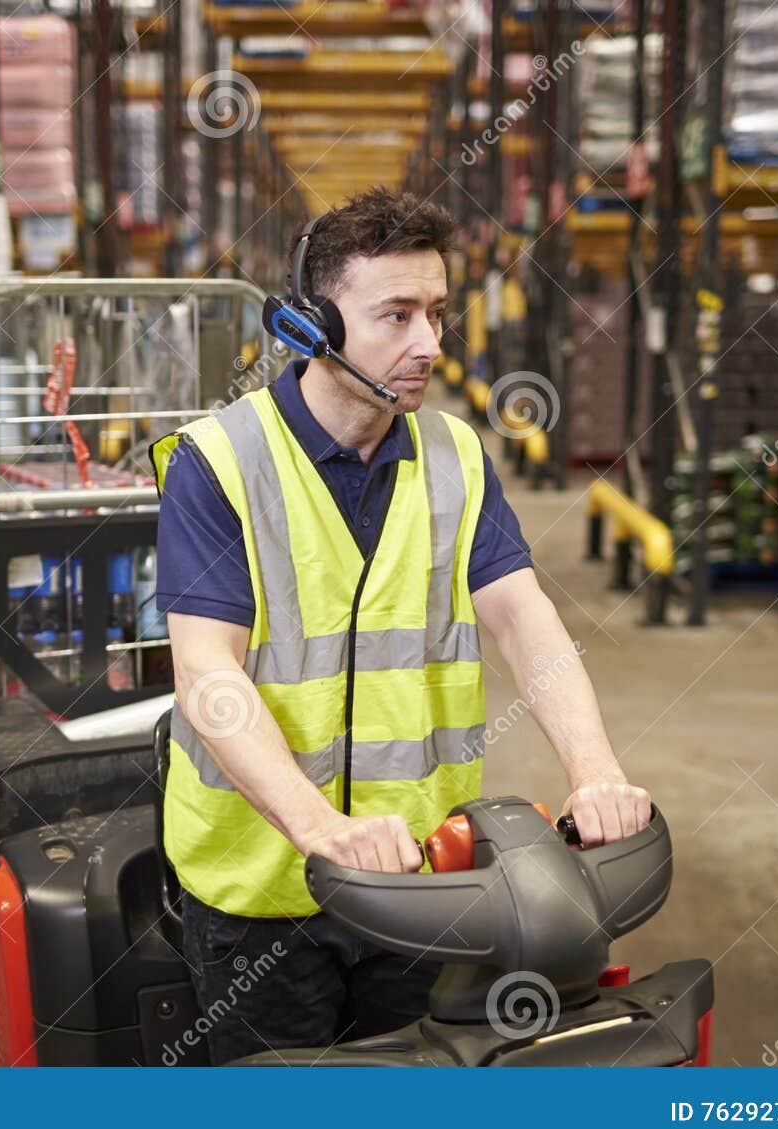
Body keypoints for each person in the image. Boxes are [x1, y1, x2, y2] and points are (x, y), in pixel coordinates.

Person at [150, 187, 652, 1063]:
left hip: (421, 880)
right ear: (311, 326)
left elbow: (524, 617)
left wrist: (597, 769)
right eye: (397, 315)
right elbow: (206, 673)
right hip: (260, 892)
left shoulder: (455, 456)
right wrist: (318, 828)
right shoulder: (219, 462)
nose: (430, 343)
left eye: (437, 312)